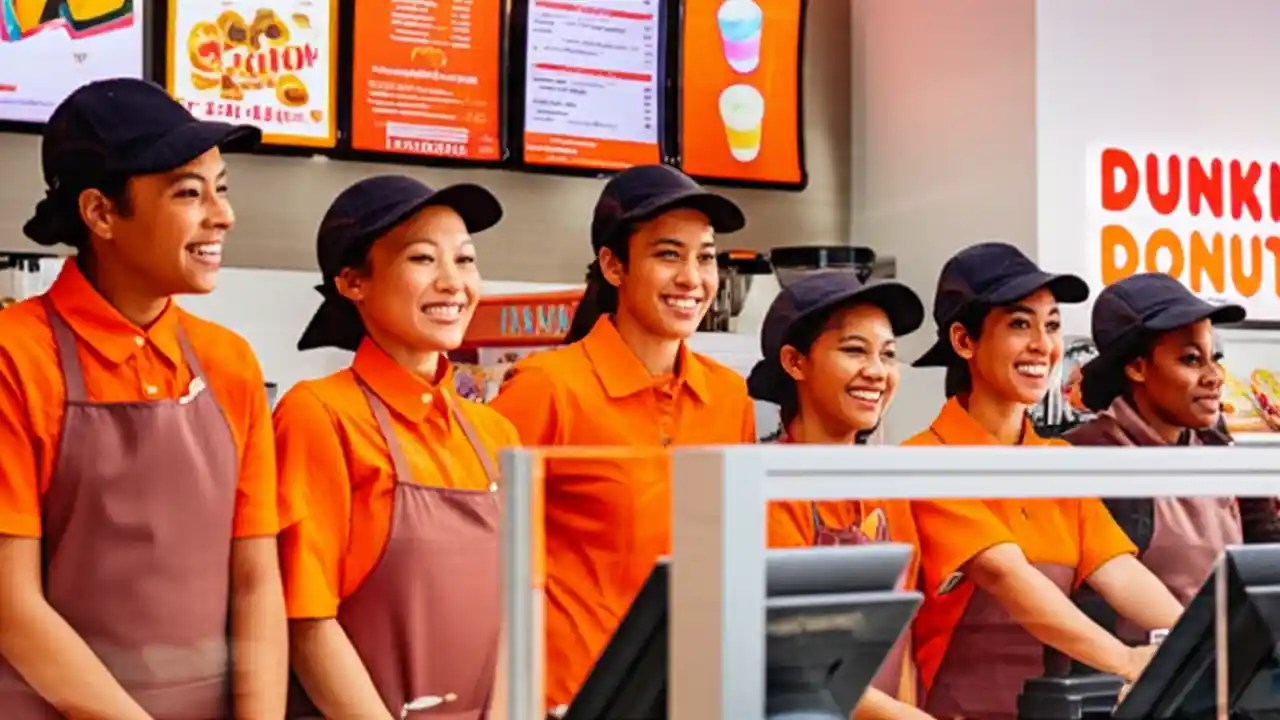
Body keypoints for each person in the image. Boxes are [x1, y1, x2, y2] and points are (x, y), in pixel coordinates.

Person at [0, 78, 287, 718]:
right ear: (100, 213)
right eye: (189, 192)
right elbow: (11, 606)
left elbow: (257, 581)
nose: (223, 216)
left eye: (222, 188)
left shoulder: (230, 362)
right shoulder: (15, 357)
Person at [489, 164, 758, 711]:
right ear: (613, 266)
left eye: (705, 256)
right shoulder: (546, 388)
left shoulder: (729, 396)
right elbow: (484, 560)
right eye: (668, 254)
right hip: (567, 698)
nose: (692, 278)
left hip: (691, 694)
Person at [902, 243, 1185, 720]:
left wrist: (1205, 646)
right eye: (1019, 324)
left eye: (1051, 325)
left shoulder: (1055, 460)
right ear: (964, 341)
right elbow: (1009, 580)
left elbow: (1119, 572)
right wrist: (1129, 660)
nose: (1042, 345)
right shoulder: (927, 461)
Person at [274, 175, 519, 719]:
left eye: (465, 259)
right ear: (352, 282)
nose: (453, 282)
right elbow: (307, 620)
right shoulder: (320, 414)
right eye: (422, 259)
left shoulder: (495, 433)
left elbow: (516, 613)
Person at [746, 270, 932, 720]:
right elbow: (794, 660)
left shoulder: (889, 487)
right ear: (795, 362)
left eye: (888, 355)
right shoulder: (764, 486)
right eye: (854, 350)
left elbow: (903, 643)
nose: (877, 372)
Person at [1064, 273, 1280, 642]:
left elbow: (1265, 551)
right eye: (1191, 359)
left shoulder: (1215, 445)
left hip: (1227, 671)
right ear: (1137, 367)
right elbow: (1091, 609)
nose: (1214, 376)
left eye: (1214, 358)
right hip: (1133, 685)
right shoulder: (1091, 457)